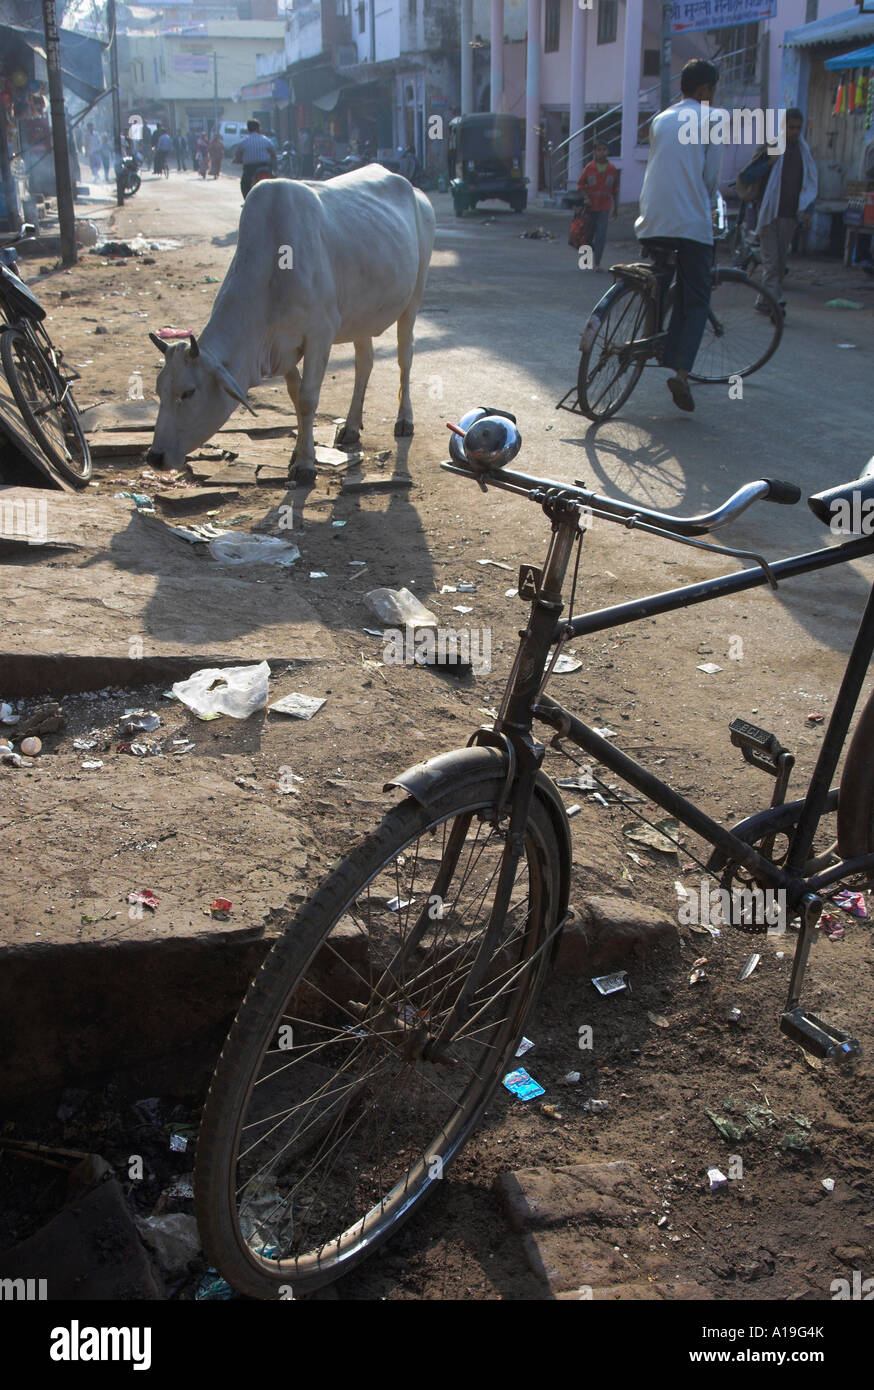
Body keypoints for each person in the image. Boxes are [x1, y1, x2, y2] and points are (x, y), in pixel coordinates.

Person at [635, 58, 723, 413]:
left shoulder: (661, 119)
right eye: (713, 90)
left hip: (651, 220)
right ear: (704, 90)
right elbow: (710, 180)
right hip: (689, 227)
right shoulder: (712, 118)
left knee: (662, 281)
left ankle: (654, 337)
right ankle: (681, 374)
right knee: (696, 300)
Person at [754, 109, 817, 318]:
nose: (795, 132)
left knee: (780, 266)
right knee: (771, 264)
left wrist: (807, 211)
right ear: (783, 127)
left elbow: (809, 183)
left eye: (798, 128)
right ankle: (776, 304)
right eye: (791, 127)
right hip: (768, 214)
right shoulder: (771, 147)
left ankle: (763, 301)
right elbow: (749, 174)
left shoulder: (803, 152)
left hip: (789, 216)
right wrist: (767, 163)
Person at [576, 139, 619, 271]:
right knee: (588, 235)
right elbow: (580, 185)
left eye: (604, 149)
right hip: (590, 207)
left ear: (608, 151)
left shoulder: (612, 169)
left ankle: (597, 263)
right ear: (594, 152)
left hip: (604, 207)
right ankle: (586, 261)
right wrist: (586, 197)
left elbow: (615, 190)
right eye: (599, 149)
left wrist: (615, 208)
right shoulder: (589, 168)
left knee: (601, 235)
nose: (601, 152)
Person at [236, 118, 276, 197]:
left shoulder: (244, 142)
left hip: (249, 168)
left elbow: (238, 156)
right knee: (273, 182)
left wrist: (239, 160)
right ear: (258, 128)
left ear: (248, 129)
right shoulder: (266, 140)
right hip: (265, 167)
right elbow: (273, 153)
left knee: (244, 184)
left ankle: (247, 200)